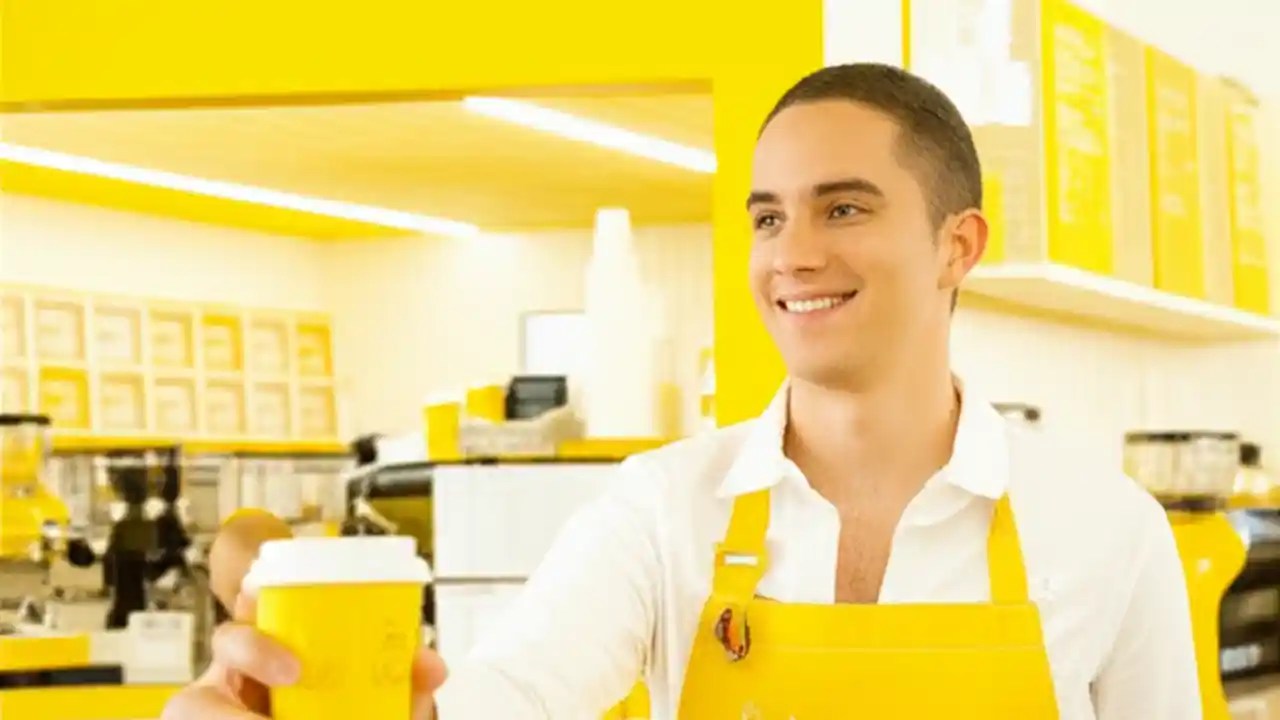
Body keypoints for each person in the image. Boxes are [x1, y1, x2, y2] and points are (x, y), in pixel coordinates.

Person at [163, 63, 1199, 720]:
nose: (791, 254)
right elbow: (502, 702)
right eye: (765, 218)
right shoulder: (660, 510)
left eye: (842, 209)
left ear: (954, 244)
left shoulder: (1105, 527)